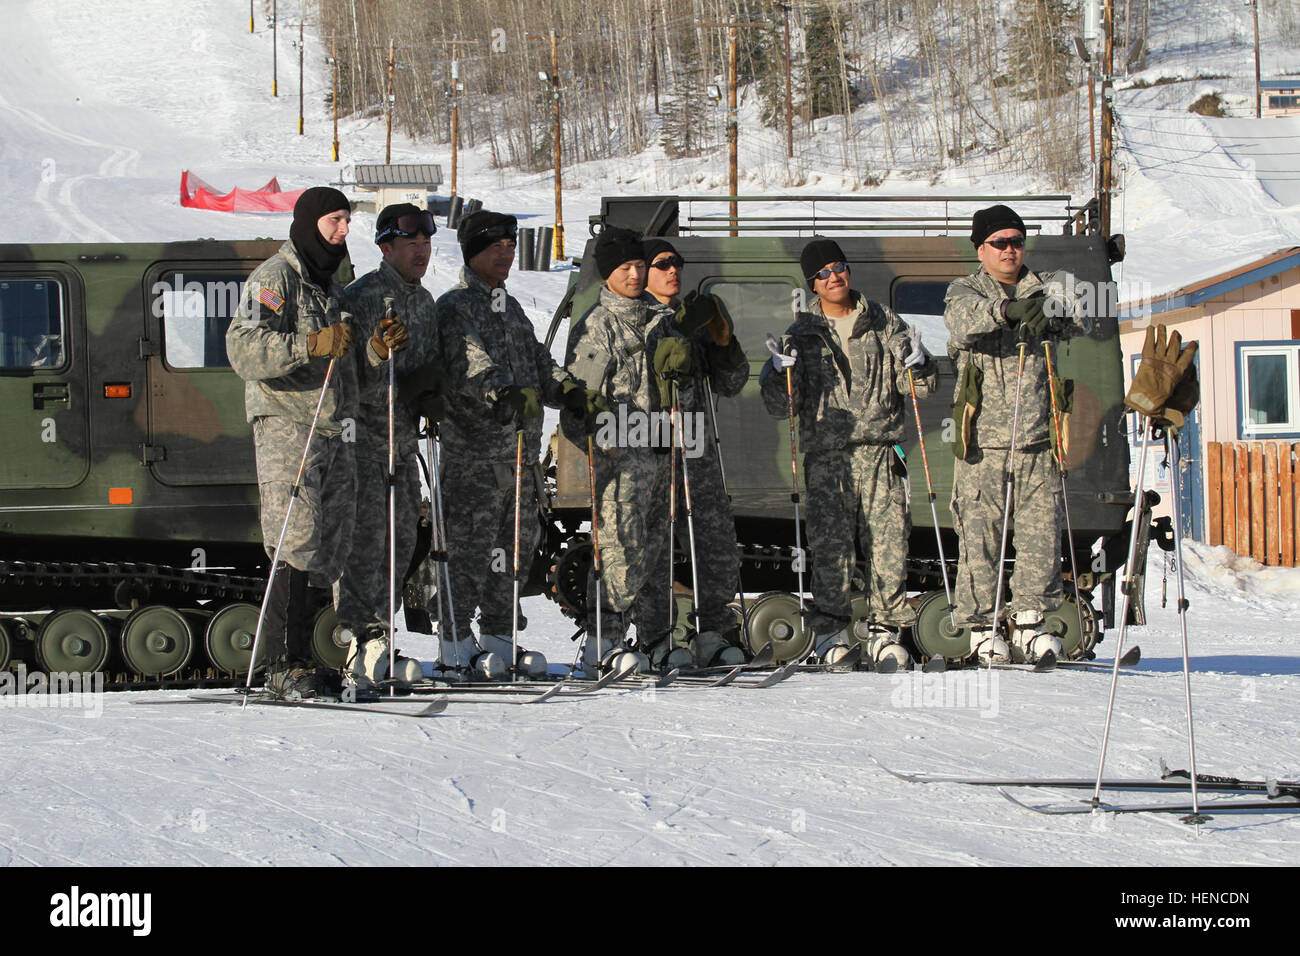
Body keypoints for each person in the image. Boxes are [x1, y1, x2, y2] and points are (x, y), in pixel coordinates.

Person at [226, 187, 397, 699]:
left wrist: (375, 350)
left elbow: (348, 369)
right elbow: (242, 347)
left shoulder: (331, 287)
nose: (344, 230)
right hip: (288, 425)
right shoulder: (277, 278)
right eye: (334, 220)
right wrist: (307, 344)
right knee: (294, 540)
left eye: (346, 220)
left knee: (332, 544)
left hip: (334, 428)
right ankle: (281, 662)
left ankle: (319, 656)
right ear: (309, 223)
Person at [435, 210, 604, 680]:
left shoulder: (508, 308)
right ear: (472, 251)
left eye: (511, 245)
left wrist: (566, 389)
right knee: (468, 554)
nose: (506, 254)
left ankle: (499, 636)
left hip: (518, 462)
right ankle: (454, 644)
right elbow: (471, 364)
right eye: (496, 246)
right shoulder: (455, 308)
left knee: (510, 554)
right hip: (475, 461)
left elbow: (538, 361)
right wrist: (503, 392)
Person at [759, 237, 937, 669]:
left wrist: (921, 363)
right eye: (822, 273)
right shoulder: (800, 335)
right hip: (828, 459)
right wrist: (776, 374)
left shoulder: (884, 322)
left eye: (838, 267)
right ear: (812, 284)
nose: (833, 277)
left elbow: (918, 388)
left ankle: (884, 633)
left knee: (889, 544)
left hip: (880, 452)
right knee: (831, 548)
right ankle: (830, 635)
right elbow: (782, 406)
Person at [943, 204, 1079, 664]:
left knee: (1041, 537)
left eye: (1016, 241)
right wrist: (1006, 309)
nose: (1009, 250)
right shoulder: (964, 290)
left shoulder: (1049, 283)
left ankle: (1030, 624)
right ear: (980, 249)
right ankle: (982, 629)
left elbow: (1075, 309)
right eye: (999, 242)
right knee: (979, 539)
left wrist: (1048, 308)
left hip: (1038, 438)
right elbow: (961, 322)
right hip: (982, 443)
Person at [561, 226, 678, 674]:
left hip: (661, 457)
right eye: (625, 267)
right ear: (608, 272)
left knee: (656, 554)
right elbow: (577, 410)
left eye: (639, 265)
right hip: (620, 463)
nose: (635, 274)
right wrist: (606, 447)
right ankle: (604, 639)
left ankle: (656, 638)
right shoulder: (598, 326)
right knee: (619, 551)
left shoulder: (661, 319)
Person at [335, 203, 435, 692]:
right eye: (411, 243)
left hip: (403, 444)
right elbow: (345, 379)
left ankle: (380, 638)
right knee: (365, 546)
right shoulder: (361, 297)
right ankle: (356, 642)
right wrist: (377, 355)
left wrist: (432, 389)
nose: (421, 251)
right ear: (386, 247)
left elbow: (428, 365)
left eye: (426, 243)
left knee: (400, 544)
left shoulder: (426, 302)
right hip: (365, 445)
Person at [641, 239, 749, 668]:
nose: (674, 270)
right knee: (655, 549)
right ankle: (656, 638)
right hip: (651, 446)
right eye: (662, 264)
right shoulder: (636, 317)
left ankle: (713, 633)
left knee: (715, 544)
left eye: (678, 263)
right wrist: (678, 330)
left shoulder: (694, 318)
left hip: (697, 447)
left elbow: (731, 383)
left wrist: (723, 342)